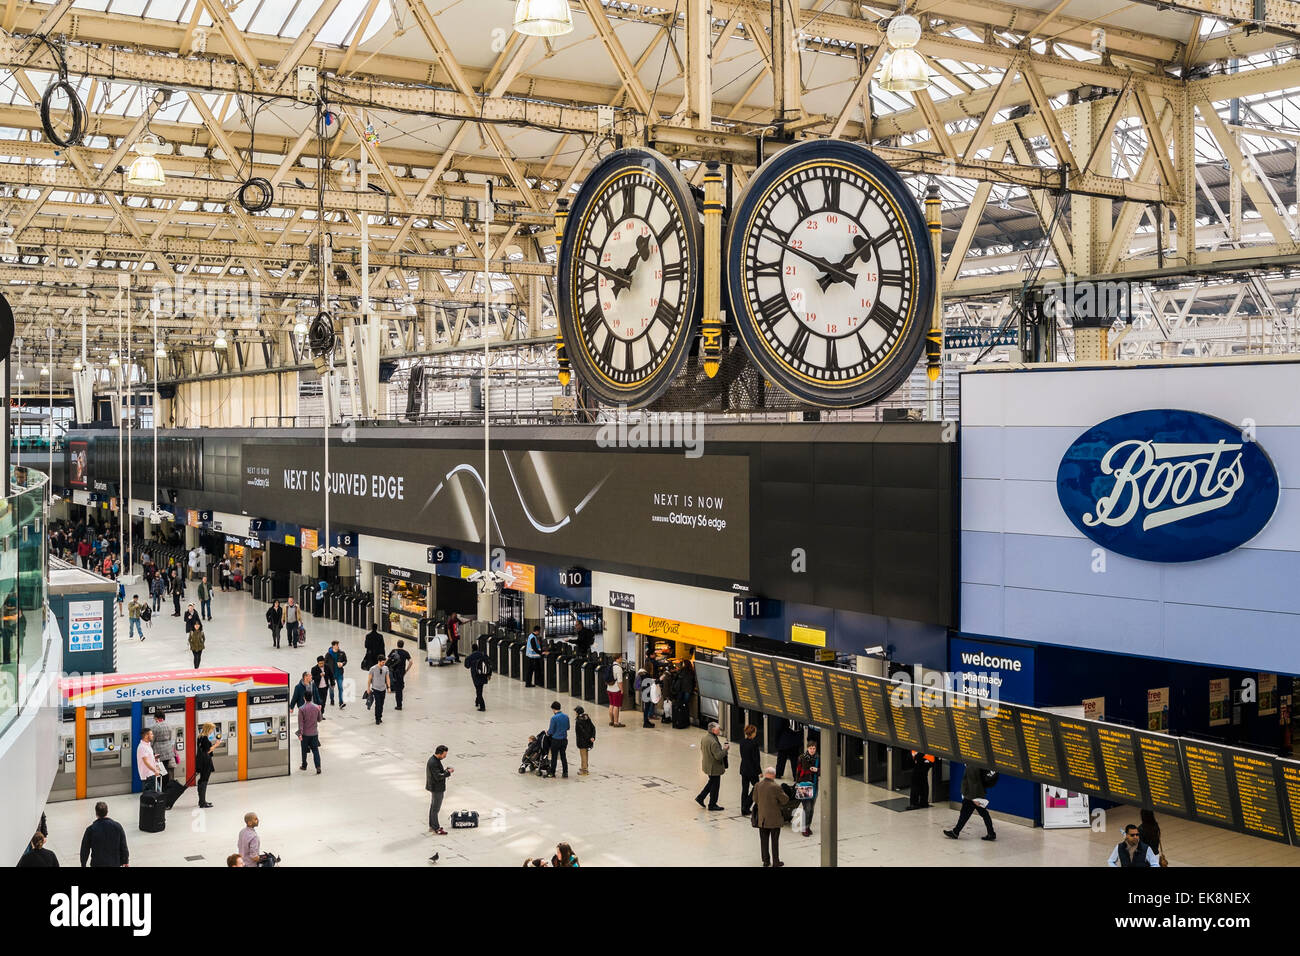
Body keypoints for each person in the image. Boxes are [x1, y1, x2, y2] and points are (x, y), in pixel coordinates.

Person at [944, 765, 997, 842]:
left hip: (972, 795)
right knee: (982, 814)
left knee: (965, 814)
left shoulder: (972, 766)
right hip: (973, 795)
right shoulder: (971, 765)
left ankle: (955, 832)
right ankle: (991, 833)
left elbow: (974, 783)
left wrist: (974, 798)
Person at [753, 767, 793, 867]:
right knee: (775, 841)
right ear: (773, 775)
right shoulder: (776, 787)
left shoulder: (758, 785)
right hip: (774, 819)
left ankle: (766, 861)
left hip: (762, 819)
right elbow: (785, 800)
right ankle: (776, 861)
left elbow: (755, 799)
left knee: (764, 840)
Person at [80, 802, 128, 867]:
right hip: (114, 863)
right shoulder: (117, 827)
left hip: (97, 863)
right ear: (107, 811)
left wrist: (83, 864)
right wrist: (125, 861)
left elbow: (84, 849)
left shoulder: (91, 830)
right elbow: (123, 846)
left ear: (96, 813)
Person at [695, 721, 729, 811]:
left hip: (707, 764)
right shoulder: (713, 742)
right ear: (713, 730)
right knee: (715, 786)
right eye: (718, 729)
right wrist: (725, 750)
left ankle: (701, 797)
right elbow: (718, 756)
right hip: (714, 767)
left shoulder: (705, 738)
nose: (719, 731)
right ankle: (712, 804)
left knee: (711, 783)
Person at [794, 742, 820, 837]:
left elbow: (824, 770)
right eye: (810, 748)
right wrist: (797, 783)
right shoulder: (802, 757)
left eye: (814, 748)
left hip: (814, 785)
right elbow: (798, 771)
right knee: (807, 808)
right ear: (807, 748)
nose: (812, 750)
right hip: (804, 785)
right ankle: (804, 827)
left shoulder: (818, 758)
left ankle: (808, 826)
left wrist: (817, 770)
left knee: (811, 808)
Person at [425, 745, 453, 836]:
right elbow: (438, 776)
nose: (445, 757)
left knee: (433, 807)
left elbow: (437, 773)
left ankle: (432, 826)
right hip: (437, 788)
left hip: (435, 787)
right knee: (435, 809)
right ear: (439, 753)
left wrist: (445, 771)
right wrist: (448, 772)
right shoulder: (433, 762)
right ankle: (436, 828)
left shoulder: (434, 760)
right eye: (444, 755)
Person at [297, 692, 322, 773]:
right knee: (315, 750)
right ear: (311, 697)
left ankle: (304, 765)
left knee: (304, 750)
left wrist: (300, 734)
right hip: (314, 733)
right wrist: (319, 710)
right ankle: (318, 766)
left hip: (305, 734)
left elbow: (300, 723)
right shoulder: (316, 707)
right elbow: (320, 719)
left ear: (304, 698)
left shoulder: (301, 709)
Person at [739, 724, 761, 816]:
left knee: (745, 789)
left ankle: (743, 808)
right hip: (752, 770)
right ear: (752, 733)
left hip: (744, 768)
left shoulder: (742, 742)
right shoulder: (754, 744)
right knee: (756, 787)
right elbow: (756, 759)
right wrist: (759, 771)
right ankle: (747, 805)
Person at [464, 642, 491, 711]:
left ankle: (482, 706)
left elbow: (467, 666)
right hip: (483, 675)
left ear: (472, 649)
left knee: (478, 690)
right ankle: (477, 701)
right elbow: (488, 664)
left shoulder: (471, 656)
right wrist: (489, 674)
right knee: (480, 689)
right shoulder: (483, 654)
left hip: (476, 676)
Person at [386, 640, 413, 710]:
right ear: (403, 645)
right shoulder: (405, 652)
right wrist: (406, 670)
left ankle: (399, 705)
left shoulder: (393, 651)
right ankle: (399, 703)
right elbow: (411, 661)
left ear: (397, 644)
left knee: (397, 689)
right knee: (399, 688)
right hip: (401, 672)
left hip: (394, 671)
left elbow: (387, 660)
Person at [546, 700, 570, 778]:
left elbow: (551, 730)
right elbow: (568, 727)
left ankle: (552, 772)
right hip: (564, 740)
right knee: (563, 756)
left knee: (554, 757)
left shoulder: (554, 718)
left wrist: (547, 733)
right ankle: (565, 772)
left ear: (553, 709)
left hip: (556, 740)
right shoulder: (566, 716)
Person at [196, 721, 216, 808]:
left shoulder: (200, 737)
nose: (212, 731)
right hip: (206, 761)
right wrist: (217, 744)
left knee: (202, 780)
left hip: (201, 761)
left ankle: (202, 801)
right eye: (212, 729)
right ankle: (202, 803)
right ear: (208, 729)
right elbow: (208, 750)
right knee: (204, 780)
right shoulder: (205, 738)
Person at [367, 654, 391, 724]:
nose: (384, 663)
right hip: (376, 689)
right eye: (383, 662)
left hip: (383, 689)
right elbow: (369, 679)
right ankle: (377, 718)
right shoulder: (373, 669)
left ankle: (380, 716)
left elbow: (387, 678)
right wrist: (368, 688)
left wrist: (388, 687)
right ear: (379, 661)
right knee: (378, 704)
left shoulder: (386, 668)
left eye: (384, 662)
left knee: (382, 704)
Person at [574, 705, 596, 776]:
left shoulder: (578, 721)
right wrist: (592, 737)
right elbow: (593, 727)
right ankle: (585, 767)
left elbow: (582, 732)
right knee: (586, 755)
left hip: (582, 741)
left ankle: (584, 770)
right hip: (588, 740)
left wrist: (588, 738)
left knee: (583, 755)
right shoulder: (587, 718)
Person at [605, 653, 625, 727]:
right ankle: (616, 722)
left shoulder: (610, 666)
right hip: (616, 690)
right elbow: (620, 681)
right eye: (621, 658)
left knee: (611, 705)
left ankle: (612, 721)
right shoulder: (618, 668)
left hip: (609, 688)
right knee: (616, 706)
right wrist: (622, 690)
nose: (621, 659)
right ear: (618, 658)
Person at [327, 640, 347, 710]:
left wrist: (342, 664)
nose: (338, 646)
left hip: (339, 674)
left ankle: (341, 702)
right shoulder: (328, 654)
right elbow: (325, 664)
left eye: (338, 645)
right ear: (333, 646)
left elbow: (345, 661)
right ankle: (332, 699)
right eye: (336, 645)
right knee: (331, 688)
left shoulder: (342, 653)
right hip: (331, 674)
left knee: (340, 688)